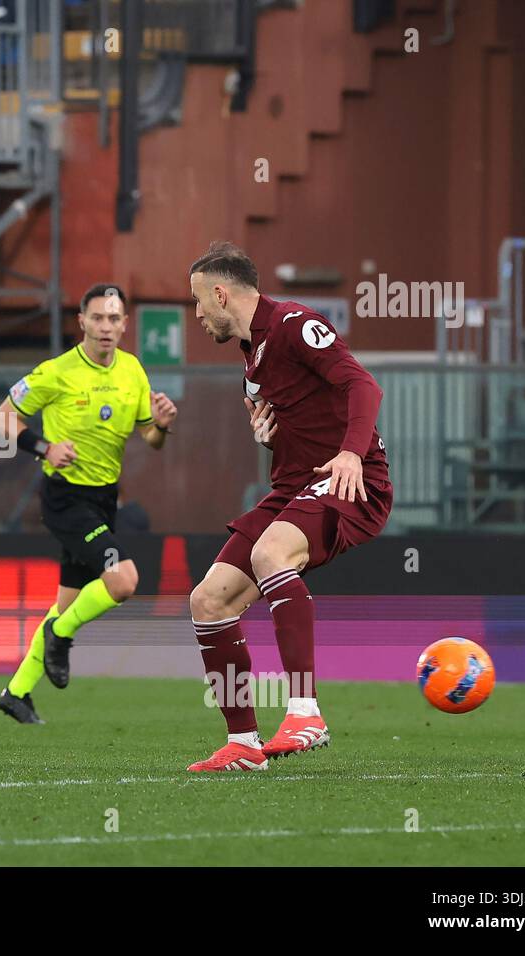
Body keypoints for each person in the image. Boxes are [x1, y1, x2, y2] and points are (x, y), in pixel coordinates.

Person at [184, 241, 392, 772]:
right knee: (208, 601)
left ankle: (305, 711)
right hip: (294, 485)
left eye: (198, 303)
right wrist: (269, 437)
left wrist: (350, 452)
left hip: (350, 480)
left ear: (220, 293)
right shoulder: (250, 360)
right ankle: (245, 745)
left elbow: (362, 385)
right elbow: (300, 419)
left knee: (272, 553)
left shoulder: (297, 324)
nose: (198, 316)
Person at [0, 284, 176, 724]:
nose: (106, 327)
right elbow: (0, 418)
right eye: (98, 318)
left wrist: (163, 426)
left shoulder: (133, 371)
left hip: (103, 499)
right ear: (83, 322)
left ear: (125, 324)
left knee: (68, 601)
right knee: (124, 579)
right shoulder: (57, 371)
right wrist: (44, 447)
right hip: (65, 497)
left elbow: (150, 439)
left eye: (114, 319)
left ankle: (16, 693)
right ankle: (61, 634)